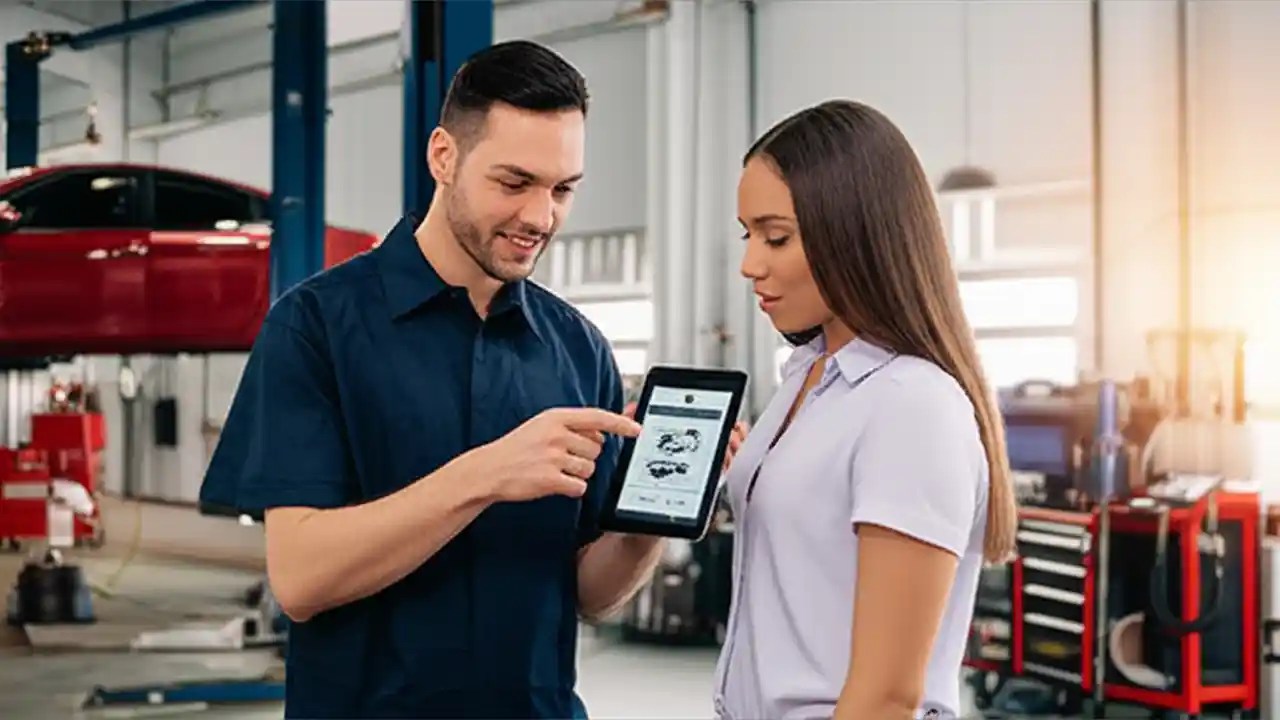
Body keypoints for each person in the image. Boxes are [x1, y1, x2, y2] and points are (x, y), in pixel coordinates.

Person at [200, 40, 713, 719]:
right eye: (514, 182)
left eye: (562, 190)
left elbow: (589, 595)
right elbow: (301, 579)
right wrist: (485, 476)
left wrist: (647, 526)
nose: (540, 217)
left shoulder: (578, 348)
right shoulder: (315, 327)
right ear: (444, 157)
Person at [711, 99, 1019, 720]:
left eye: (777, 237)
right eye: (749, 235)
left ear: (853, 232)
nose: (750, 264)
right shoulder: (808, 376)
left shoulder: (912, 404)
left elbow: (885, 697)